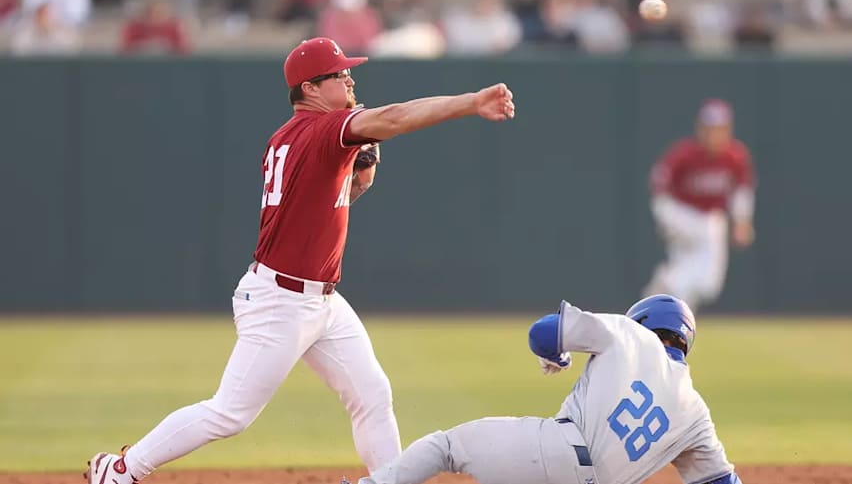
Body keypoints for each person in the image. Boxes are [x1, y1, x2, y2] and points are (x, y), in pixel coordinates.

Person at [84, 37, 516, 484]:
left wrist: (359, 174)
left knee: (371, 394)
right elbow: (394, 117)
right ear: (309, 88)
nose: (350, 80)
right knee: (229, 414)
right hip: (281, 301)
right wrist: (470, 102)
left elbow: (330, 200)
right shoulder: (325, 129)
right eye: (339, 74)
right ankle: (121, 469)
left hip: (320, 300)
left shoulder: (287, 136)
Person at [353, 294, 742, 484]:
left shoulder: (629, 332)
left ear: (642, 321)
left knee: (447, 446)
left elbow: (541, 333)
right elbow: (720, 482)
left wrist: (559, 354)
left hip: (553, 452)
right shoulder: (696, 413)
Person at [643, 99, 756, 313]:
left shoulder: (735, 157)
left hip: (711, 219)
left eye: (719, 129)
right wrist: (665, 216)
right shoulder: (685, 154)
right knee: (695, 271)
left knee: (707, 284)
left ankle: (667, 287)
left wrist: (742, 221)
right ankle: (670, 299)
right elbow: (659, 183)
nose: (714, 134)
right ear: (701, 129)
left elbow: (741, 193)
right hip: (682, 214)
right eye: (710, 128)